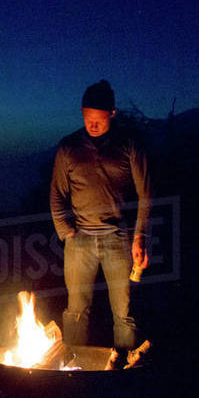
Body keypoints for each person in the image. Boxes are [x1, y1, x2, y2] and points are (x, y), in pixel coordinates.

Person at [49, 79, 151, 352]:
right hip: (79, 239)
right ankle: (72, 368)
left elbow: (146, 194)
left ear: (112, 114)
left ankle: (125, 368)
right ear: (82, 112)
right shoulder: (69, 147)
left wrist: (139, 236)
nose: (93, 125)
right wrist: (67, 232)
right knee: (76, 311)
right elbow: (57, 194)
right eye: (88, 118)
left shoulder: (128, 144)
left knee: (124, 312)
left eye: (99, 119)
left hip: (118, 237)